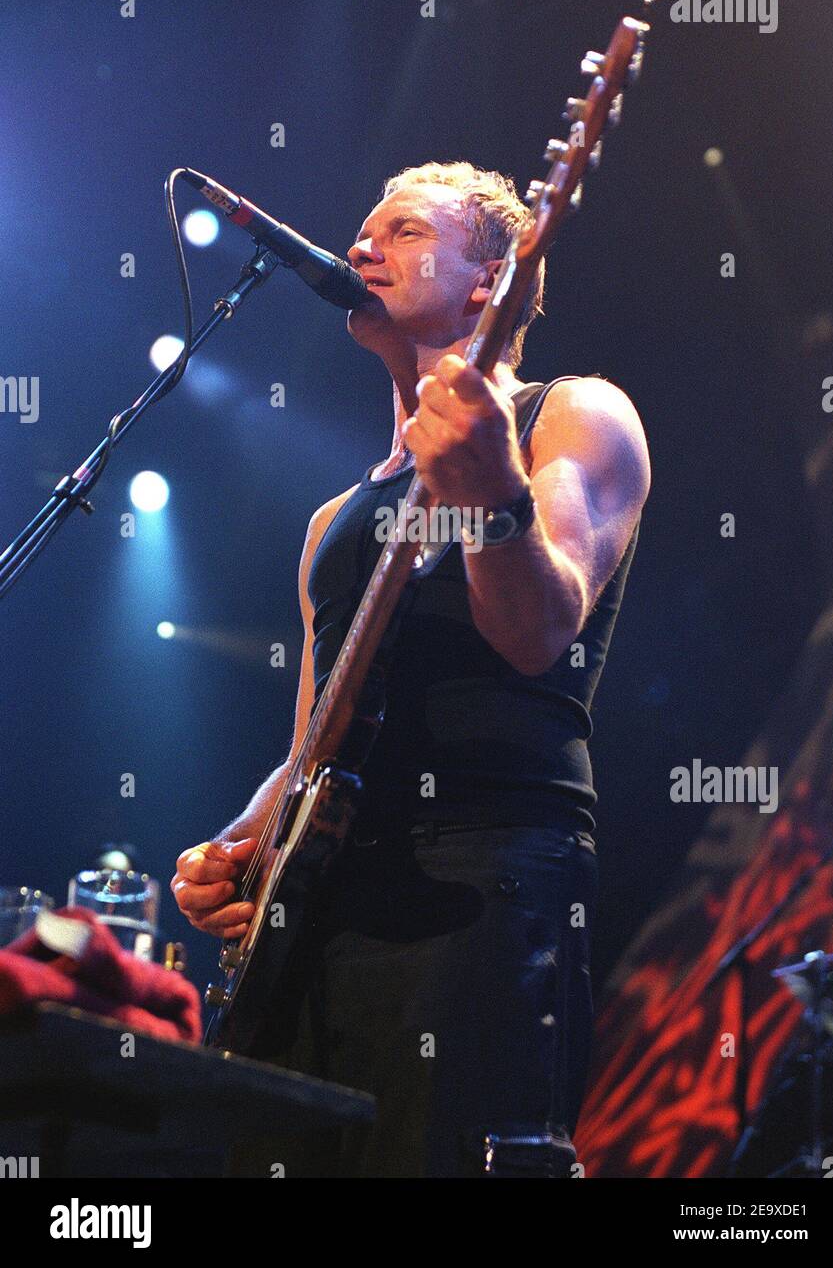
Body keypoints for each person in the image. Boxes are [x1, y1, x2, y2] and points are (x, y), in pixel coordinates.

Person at [172, 161, 651, 1177]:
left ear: (491, 276)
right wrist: (240, 848)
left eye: (400, 230)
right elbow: (311, 743)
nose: (358, 250)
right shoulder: (328, 522)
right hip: (322, 914)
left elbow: (536, 632)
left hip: (482, 880)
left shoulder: (572, 415)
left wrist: (491, 492)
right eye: (360, 231)